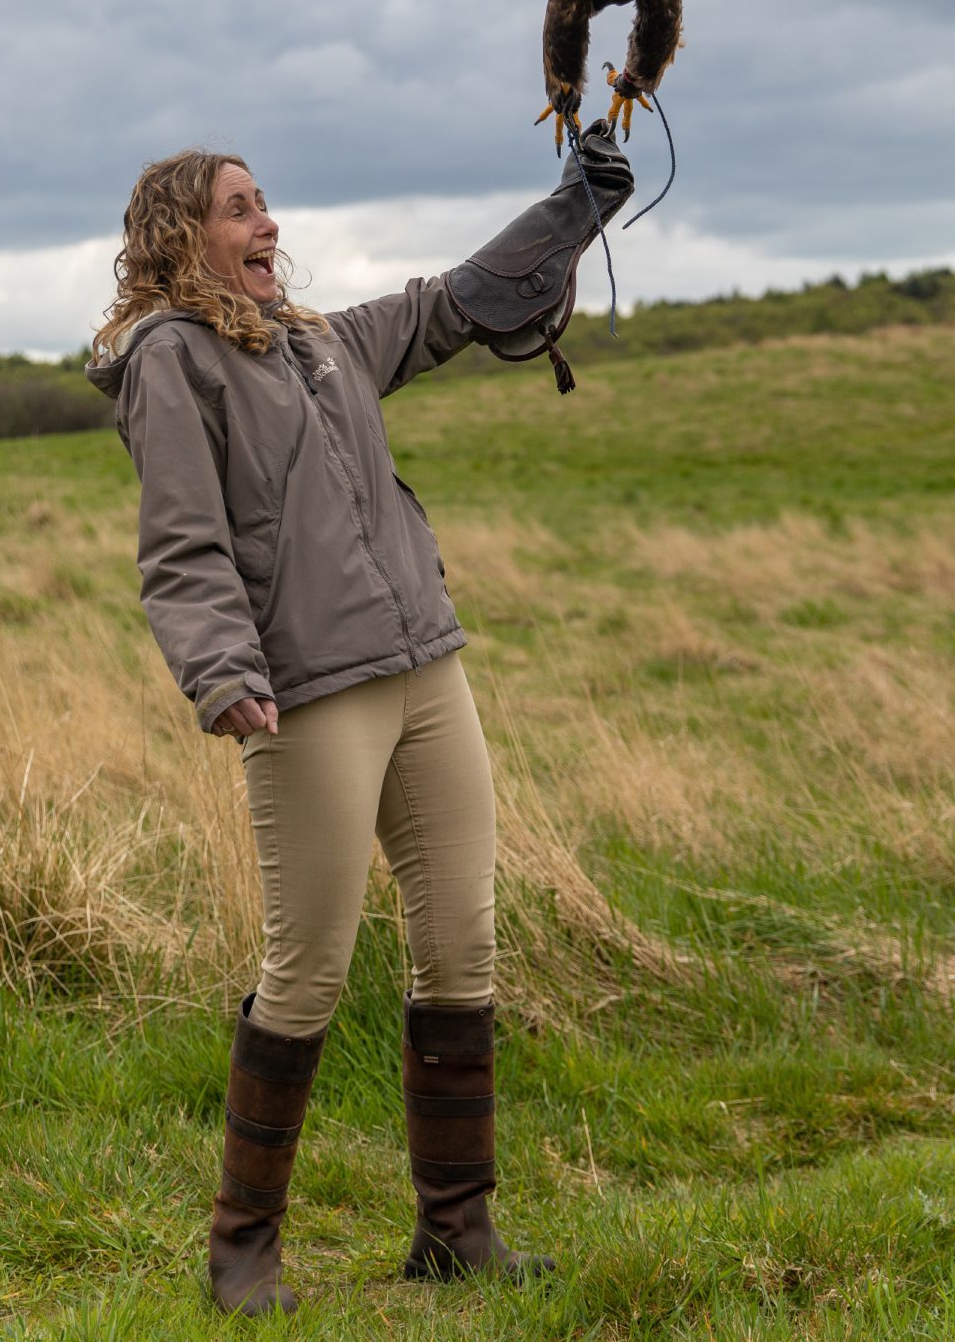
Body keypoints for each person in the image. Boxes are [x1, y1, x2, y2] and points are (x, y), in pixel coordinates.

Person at [87, 131, 631, 1315]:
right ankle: (243, 1250)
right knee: (309, 969)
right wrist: (223, 672)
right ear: (185, 238)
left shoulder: (319, 343)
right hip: (306, 691)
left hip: (425, 668)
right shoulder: (170, 360)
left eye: (267, 202)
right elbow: (182, 547)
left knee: (462, 942)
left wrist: (574, 207)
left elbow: (449, 305)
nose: (267, 223)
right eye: (239, 210)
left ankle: (456, 1229)